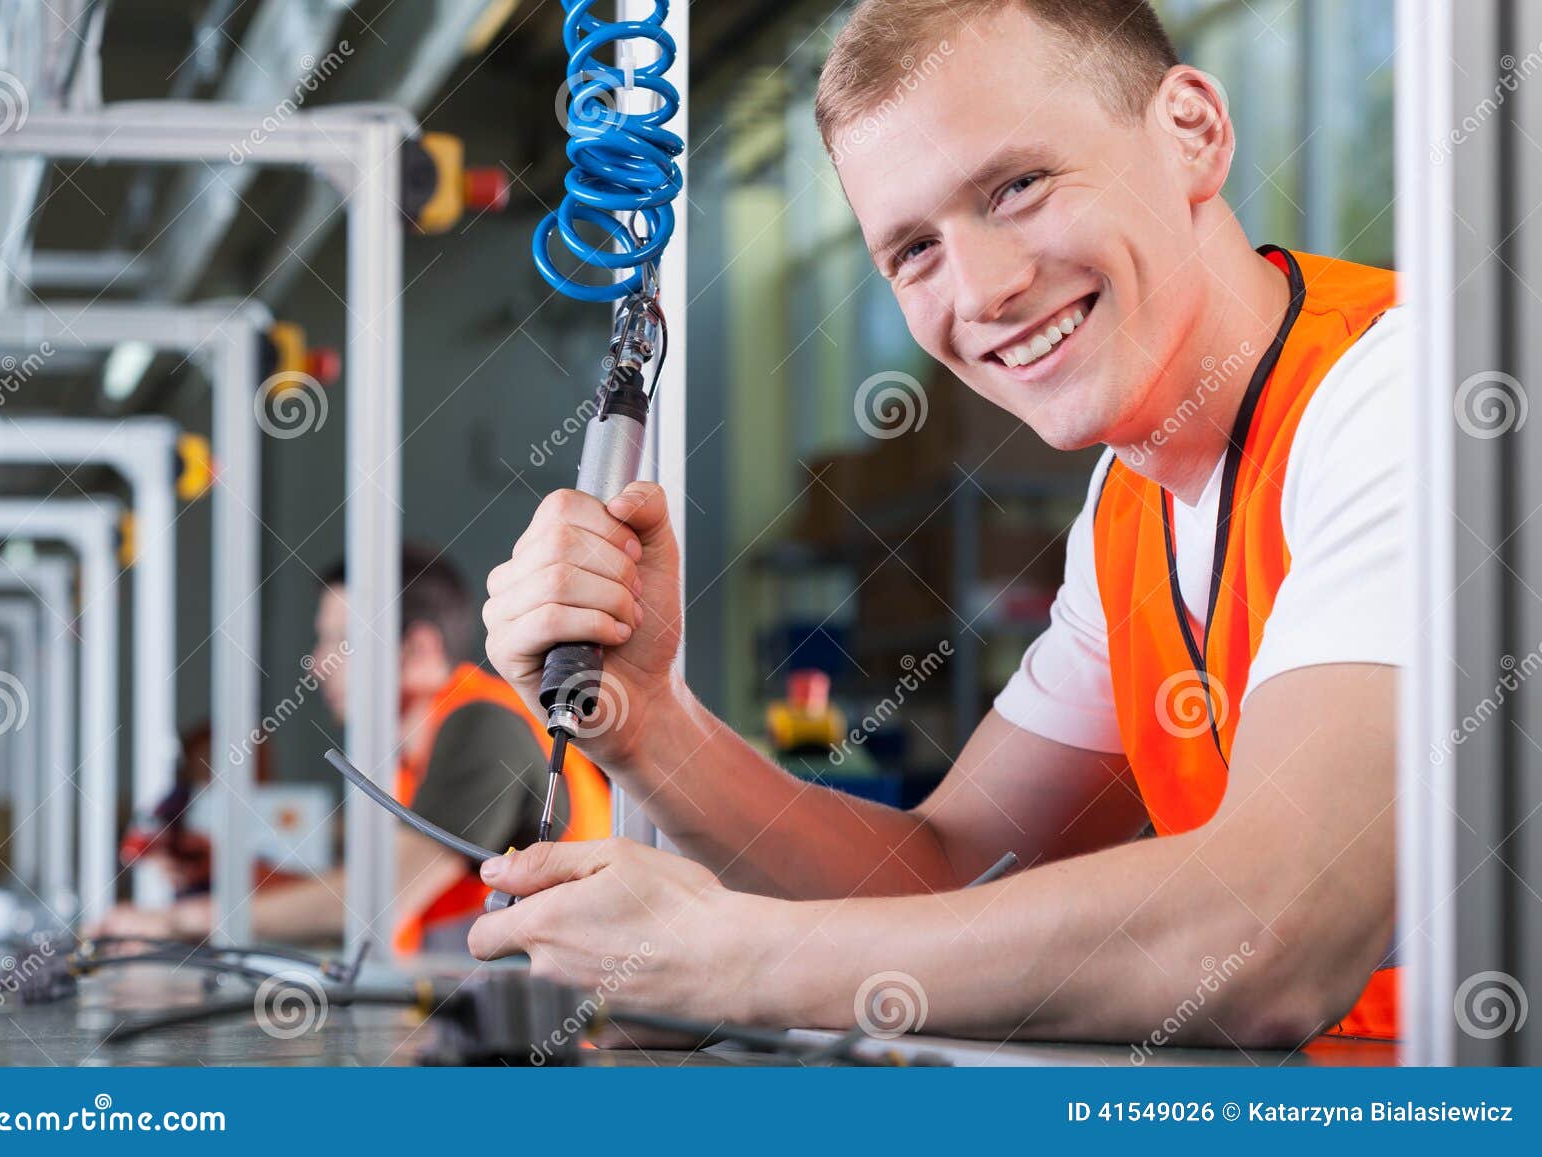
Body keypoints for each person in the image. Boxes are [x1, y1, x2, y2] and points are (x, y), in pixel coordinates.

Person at [470, 0, 1404, 1046]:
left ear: (1190, 129)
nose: (985, 290)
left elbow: (1275, 927)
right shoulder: (1131, 502)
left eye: (1017, 185)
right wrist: (646, 723)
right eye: (913, 249)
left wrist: (727, 958)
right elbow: (942, 870)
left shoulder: (1400, 397)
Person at [98, 545, 610, 953]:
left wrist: (175, 921)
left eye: (341, 643)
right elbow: (364, 886)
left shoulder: (481, 726)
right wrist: (238, 876)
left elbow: (374, 898)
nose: (318, 664)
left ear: (419, 651)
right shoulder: (419, 751)